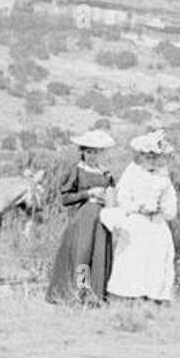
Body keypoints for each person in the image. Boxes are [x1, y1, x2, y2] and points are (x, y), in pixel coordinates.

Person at [102, 129, 178, 303]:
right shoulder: (132, 174)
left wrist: (161, 209)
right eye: (147, 157)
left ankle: (153, 296)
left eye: (154, 157)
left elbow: (170, 206)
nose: (151, 160)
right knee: (134, 257)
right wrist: (138, 207)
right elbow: (122, 198)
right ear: (141, 157)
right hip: (137, 221)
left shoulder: (163, 179)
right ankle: (130, 296)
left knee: (157, 258)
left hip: (156, 223)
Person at [46, 129, 116, 305]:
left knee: (99, 255)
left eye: (96, 152)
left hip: (101, 221)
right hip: (83, 221)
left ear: (101, 153)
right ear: (83, 152)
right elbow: (65, 198)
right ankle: (79, 292)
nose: (92, 156)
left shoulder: (106, 174)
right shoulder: (77, 171)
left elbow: (113, 196)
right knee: (82, 255)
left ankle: (97, 295)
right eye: (89, 152)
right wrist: (88, 193)